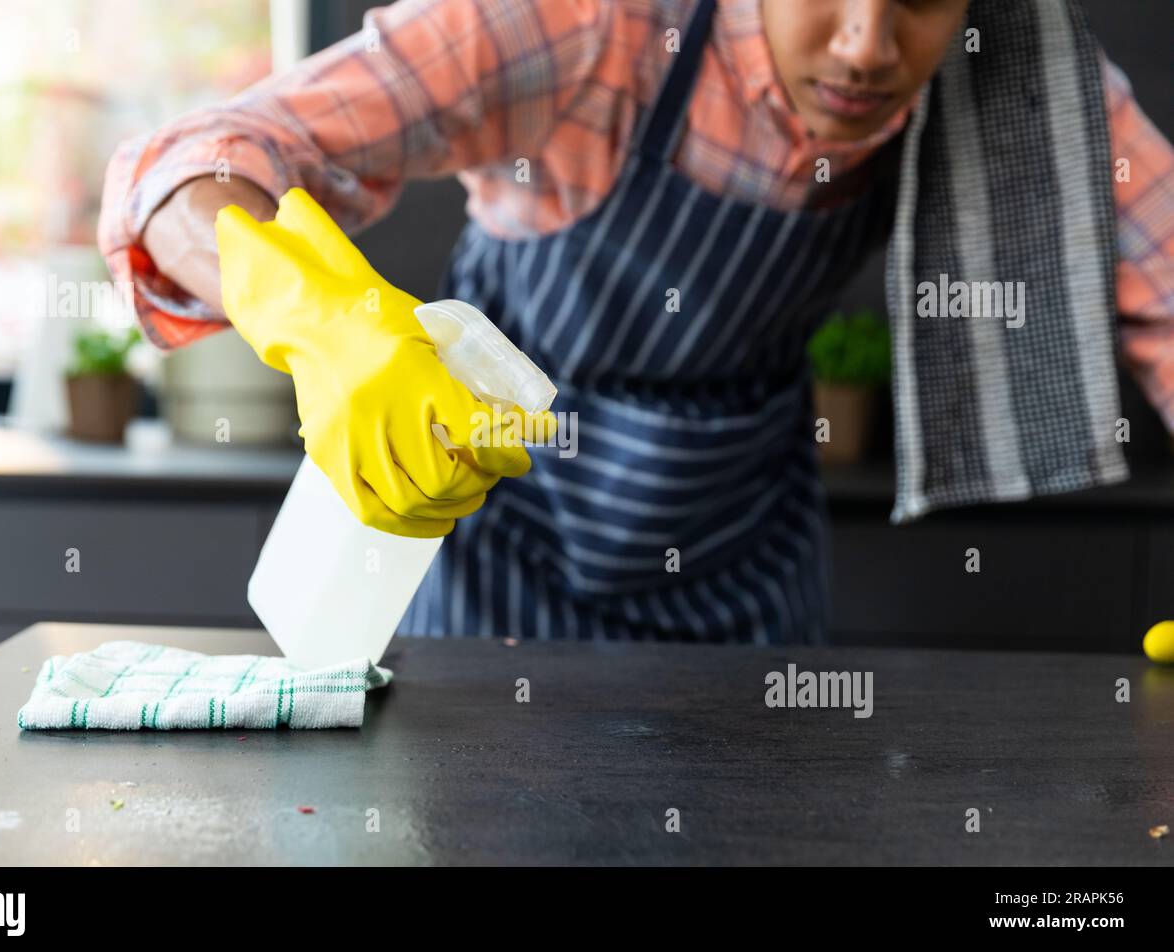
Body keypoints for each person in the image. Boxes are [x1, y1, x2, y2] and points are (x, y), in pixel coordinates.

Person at [98, 0, 1174, 643]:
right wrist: (313, 316)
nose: (863, 47)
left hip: (740, 567)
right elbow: (188, 163)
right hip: (489, 546)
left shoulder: (1026, 71)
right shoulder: (584, 26)